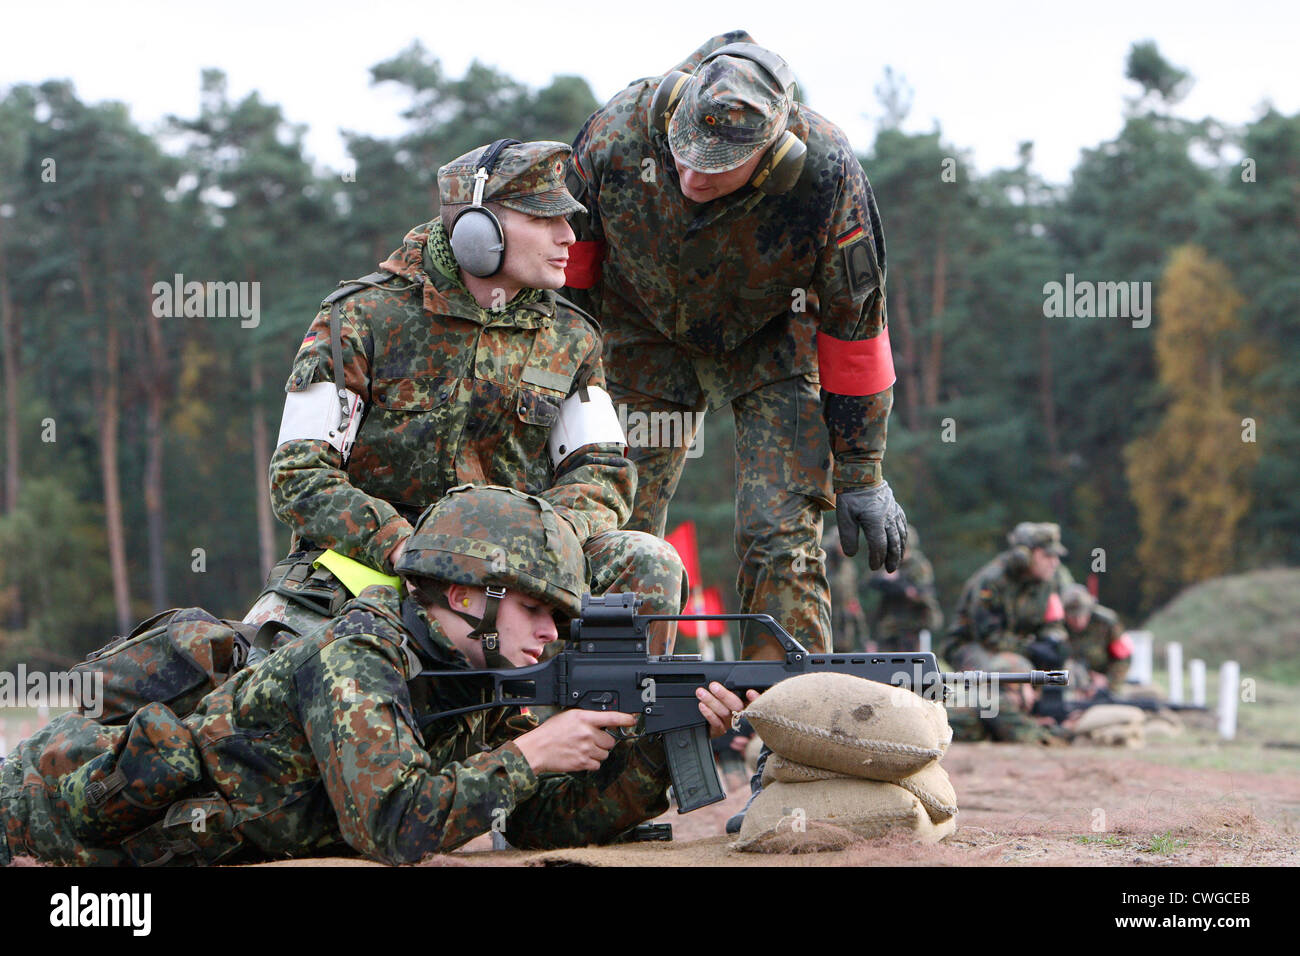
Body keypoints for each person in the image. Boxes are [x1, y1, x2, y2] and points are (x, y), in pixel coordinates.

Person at [0, 486, 751, 867]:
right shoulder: (359, 653)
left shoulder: (466, 673)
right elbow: (391, 826)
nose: (553, 632)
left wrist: (658, 749)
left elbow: (532, 823)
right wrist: (530, 753)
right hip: (41, 818)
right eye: (535, 608)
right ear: (465, 597)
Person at [248, 139, 681, 645]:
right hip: (381, 564)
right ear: (479, 231)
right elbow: (299, 475)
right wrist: (403, 546)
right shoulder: (358, 319)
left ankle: (609, 721)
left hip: (519, 568)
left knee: (650, 560)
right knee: (273, 650)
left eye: (567, 219)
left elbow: (602, 473)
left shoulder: (572, 337)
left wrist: (534, 540)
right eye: (544, 220)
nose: (568, 236)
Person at [564, 31, 907, 663]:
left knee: (779, 532)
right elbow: (567, 283)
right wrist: (559, 402)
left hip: (774, 342)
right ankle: (612, 717)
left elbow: (854, 332)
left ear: (774, 160)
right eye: (686, 151)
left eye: (719, 162)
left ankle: (795, 731)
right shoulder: (616, 137)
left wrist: (862, 472)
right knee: (613, 526)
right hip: (641, 339)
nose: (693, 174)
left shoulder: (827, 175)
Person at [939, 522, 1075, 743]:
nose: (1055, 562)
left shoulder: (1048, 583)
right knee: (1000, 684)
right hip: (971, 647)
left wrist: (1053, 641)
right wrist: (1028, 652)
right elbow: (989, 637)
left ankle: (1022, 714)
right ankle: (1027, 730)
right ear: (1025, 555)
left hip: (1016, 650)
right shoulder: (992, 581)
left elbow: (1053, 622)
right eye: (1048, 556)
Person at [865, 523, 943, 652]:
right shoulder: (889, 560)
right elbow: (871, 579)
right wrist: (889, 581)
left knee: (911, 664)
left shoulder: (919, 565)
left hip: (913, 624)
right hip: (890, 624)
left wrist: (897, 581)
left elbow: (920, 592)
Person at [1062, 584, 1131, 695]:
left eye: (1082, 615)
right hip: (1070, 684)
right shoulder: (1058, 625)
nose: (1078, 621)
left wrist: (1108, 681)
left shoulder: (1107, 623)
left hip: (1103, 683)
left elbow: (1123, 657)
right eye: (1073, 617)